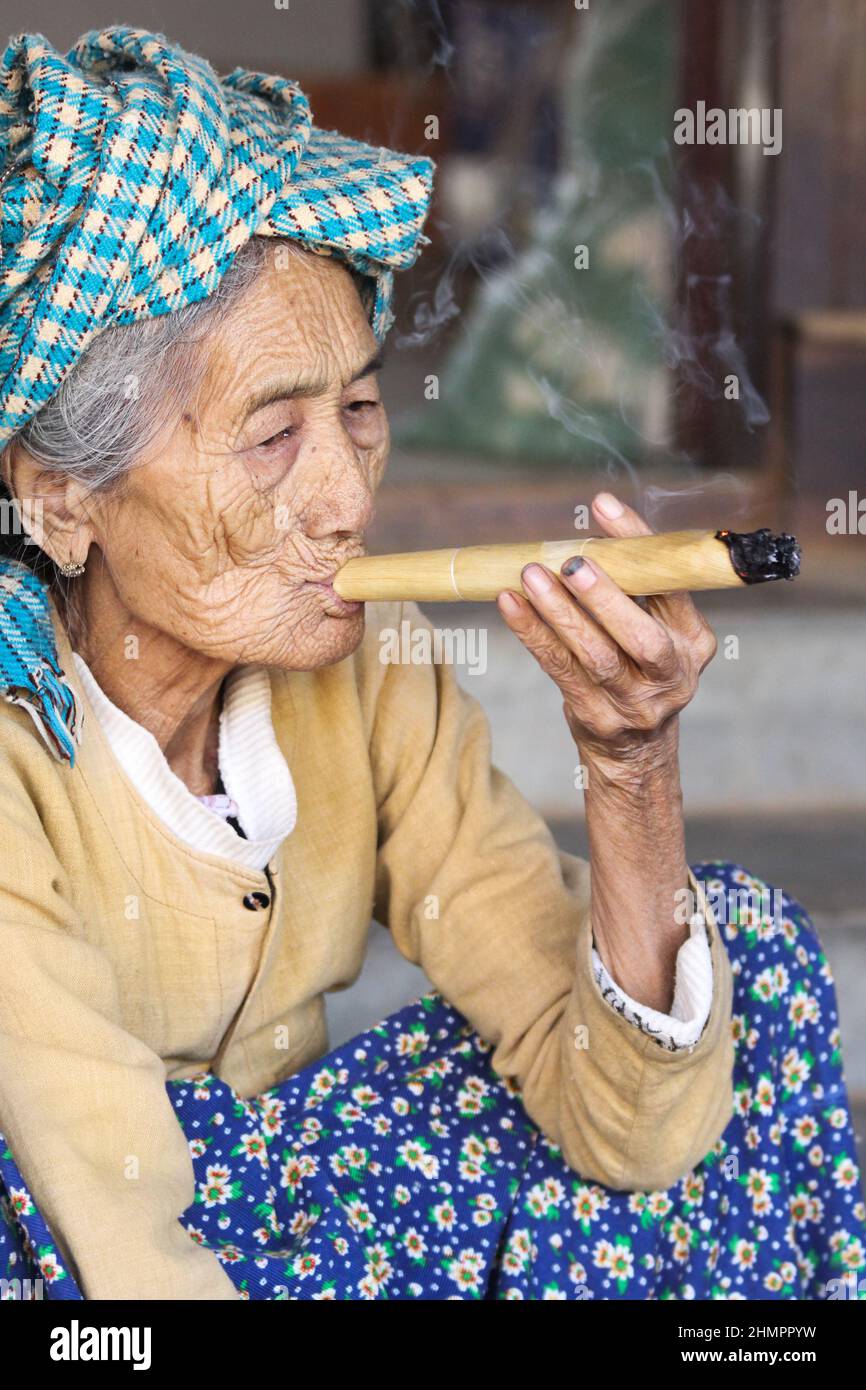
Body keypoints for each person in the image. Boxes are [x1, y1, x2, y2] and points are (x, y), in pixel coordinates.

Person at [0, 26, 862, 1301]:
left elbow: (628, 1125)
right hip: (97, 1262)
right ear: (62, 498)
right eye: (271, 434)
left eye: (358, 408)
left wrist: (632, 772)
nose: (349, 496)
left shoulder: (366, 669)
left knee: (744, 964)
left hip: (290, 1217)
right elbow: (120, 1225)